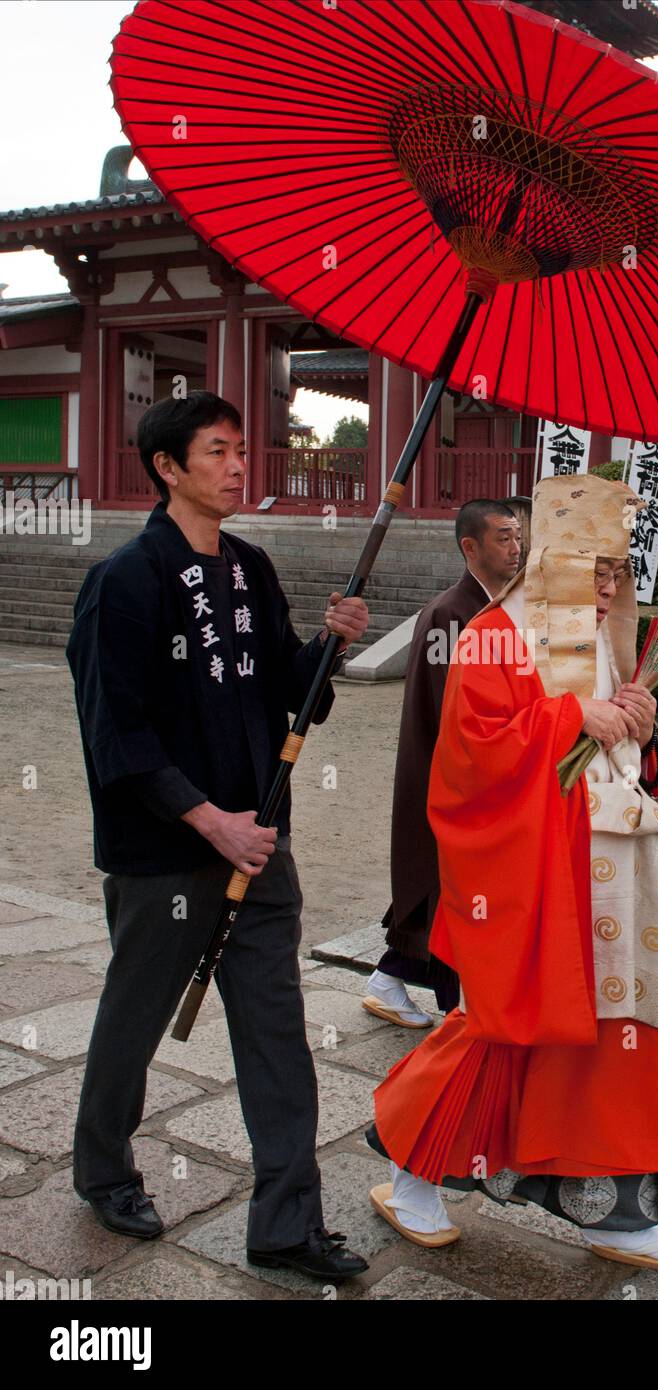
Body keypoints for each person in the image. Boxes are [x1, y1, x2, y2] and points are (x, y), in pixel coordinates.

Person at [365, 471, 658, 1272]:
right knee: (506, 1030)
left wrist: (634, 726)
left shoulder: (590, 637)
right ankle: (412, 1166)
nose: (609, 585)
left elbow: (617, 752)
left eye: (616, 571)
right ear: (555, 557)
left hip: (609, 867)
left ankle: (614, 1209)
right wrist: (569, 717)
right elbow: (466, 763)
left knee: (622, 1031)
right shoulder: (494, 634)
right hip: (535, 874)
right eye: (596, 567)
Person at [67, 391, 370, 1283]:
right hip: (169, 850)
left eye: (243, 450)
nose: (241, 465)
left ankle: (287, 1221)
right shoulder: (124, 581)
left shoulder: (249, 568)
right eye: (219, 451)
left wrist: (329, 646)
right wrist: (208, 820)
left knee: (276, 1029)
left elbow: (291, 692)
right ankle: (104, 1169)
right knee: (135, 1015)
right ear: (168, 467)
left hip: (261, 843)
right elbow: (113, 733)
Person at [363, 499, 522, 1028]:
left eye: (518, 536)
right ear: (469, 547)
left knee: (444, 893)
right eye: (503, 537)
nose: (516, 547)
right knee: (450, 892)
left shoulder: (500, 609)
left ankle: (391, 978)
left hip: (485, 776)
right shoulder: (449, 615)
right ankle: (464, 1019)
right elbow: (452, 717)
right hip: (450, 778)